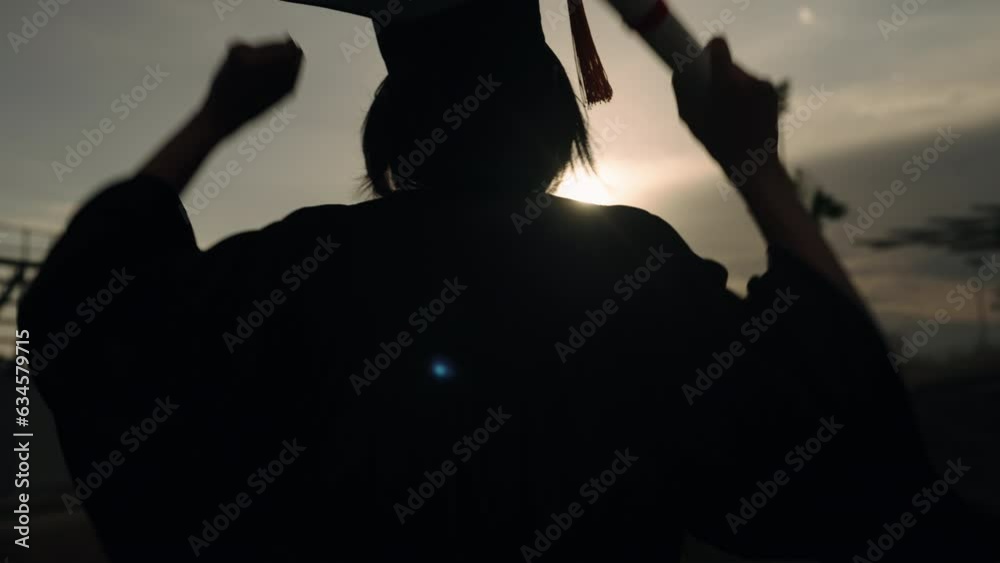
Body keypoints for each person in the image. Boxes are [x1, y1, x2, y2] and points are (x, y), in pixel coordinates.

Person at [18, 1, 993, 561]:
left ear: (390, 127)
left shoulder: (290, 272)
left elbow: (84, 309)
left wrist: (215, 114)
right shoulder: (625, 276)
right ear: (553, 123)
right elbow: (848, 435)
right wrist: (750, 161)